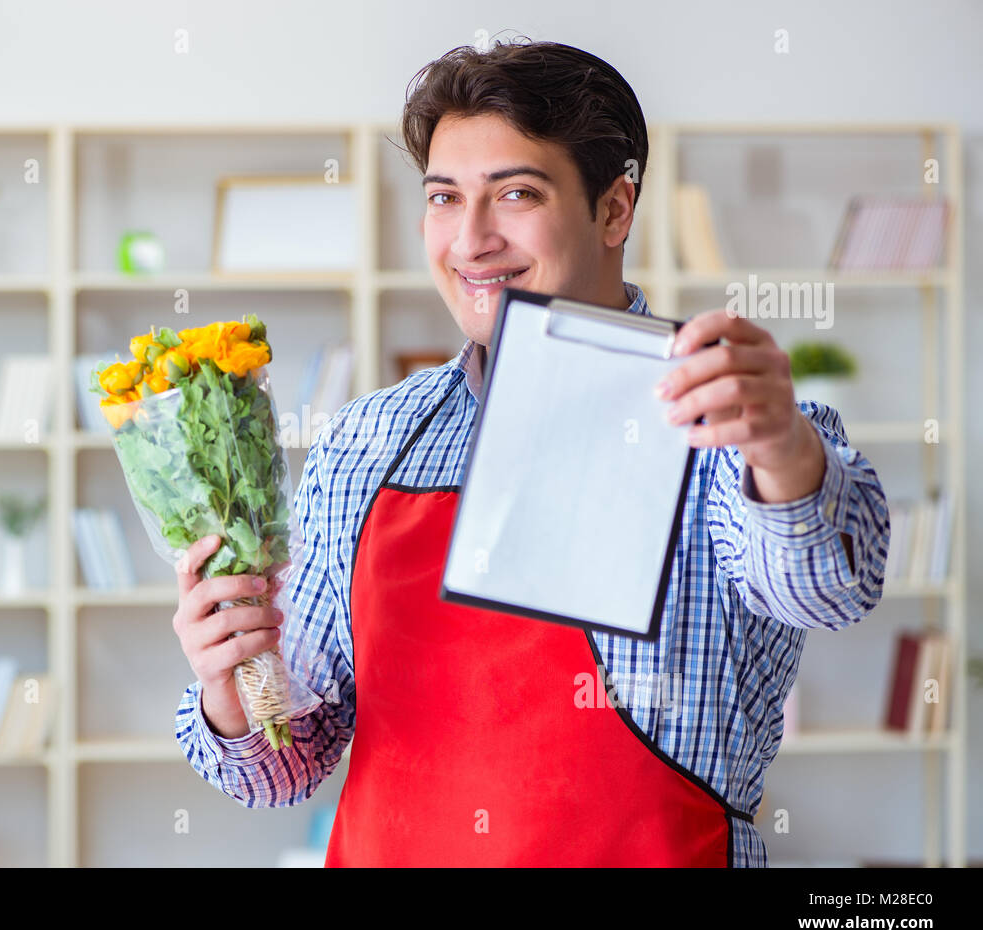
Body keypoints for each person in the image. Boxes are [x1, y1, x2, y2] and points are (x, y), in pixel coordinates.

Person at [171, 38, 890, 866]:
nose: (471, 239)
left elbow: (830, 585)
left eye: (515, 192)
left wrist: (782, 443)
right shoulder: (364, 443)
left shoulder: (727, 422)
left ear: (615, 210)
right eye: (445, 198)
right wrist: (232, 692)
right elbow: (288, 763)